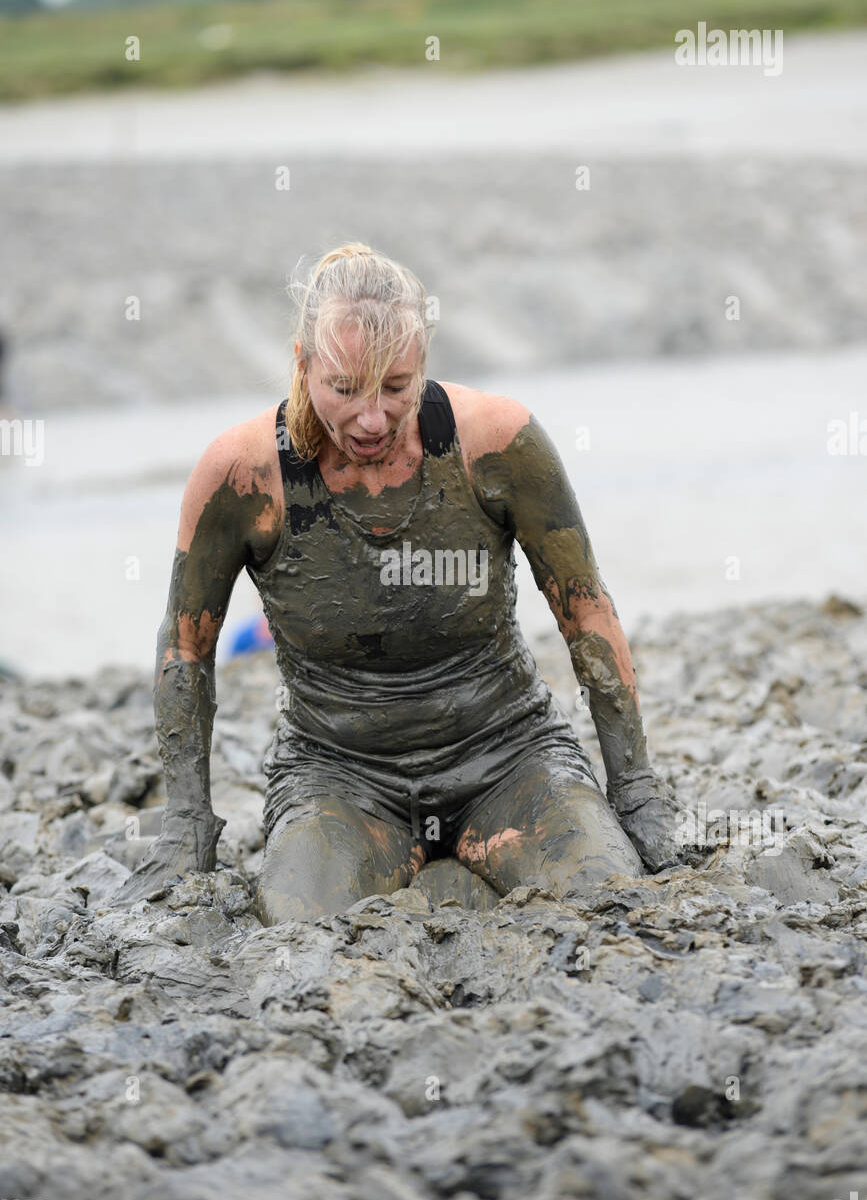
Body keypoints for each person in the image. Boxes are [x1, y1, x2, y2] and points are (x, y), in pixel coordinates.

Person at [115, 242, 683, 919]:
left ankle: (461, 874)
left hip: (506, 756)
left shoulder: (496, 443)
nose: (371, 418)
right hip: (340, 774)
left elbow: (585, 612)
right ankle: (442, 878)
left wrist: (635, 790)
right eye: (344, 387)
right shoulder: (242, 474)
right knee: (304, 927)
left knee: (603, 898)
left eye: (395, 386)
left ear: (424, 365)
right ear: (302, 364)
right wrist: (185, 823)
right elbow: (185, 646)